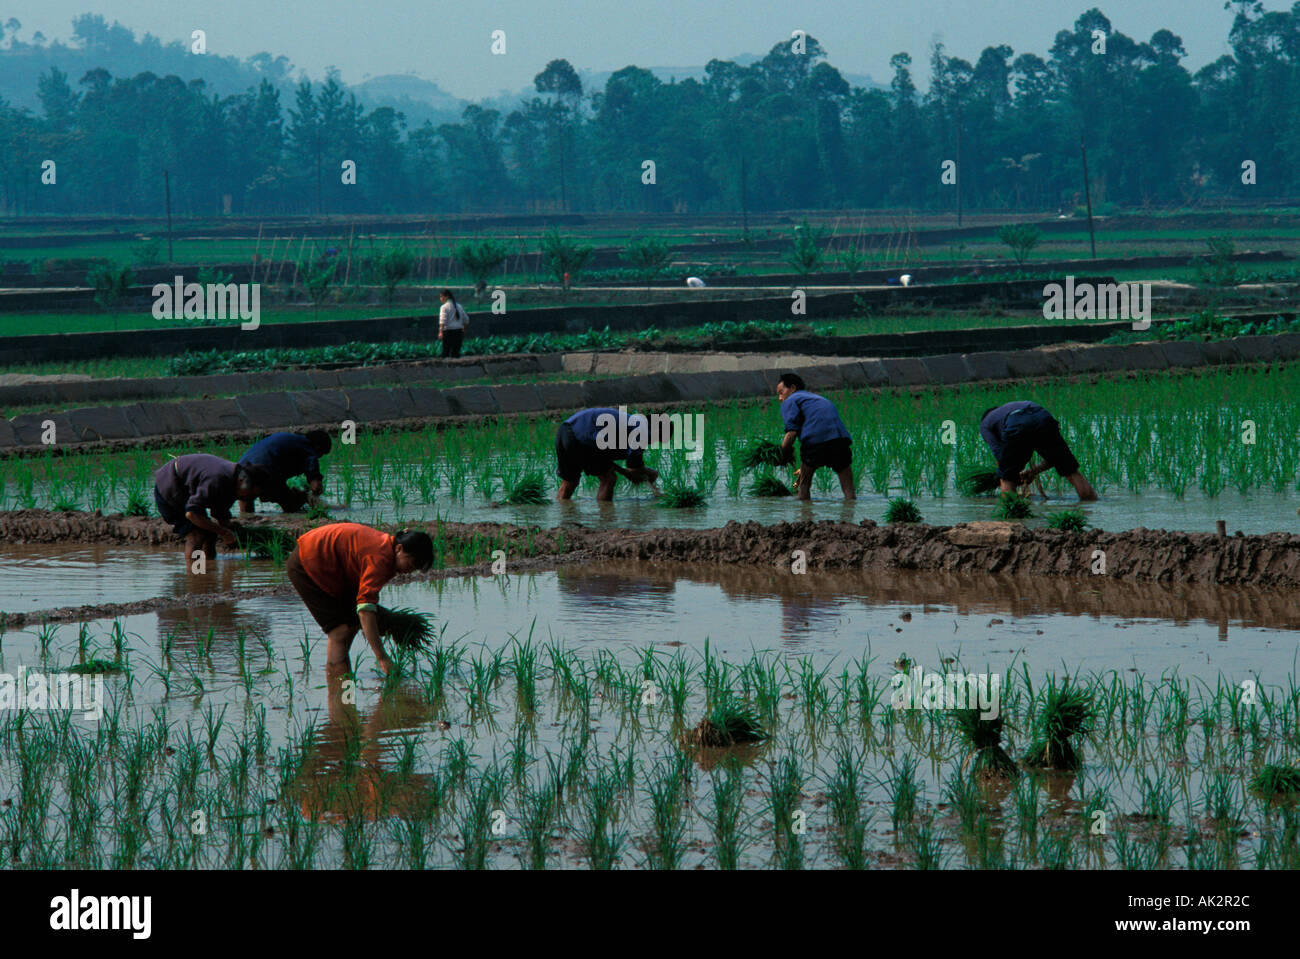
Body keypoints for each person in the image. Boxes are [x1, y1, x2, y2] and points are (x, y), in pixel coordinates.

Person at [286, 522, 434, 675]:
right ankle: (339, 686)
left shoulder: (387, 552)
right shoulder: (381, 559)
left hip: (333, 567)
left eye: (415, 569)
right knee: (340, 631)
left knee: (352, 624)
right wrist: (382, 658)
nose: (409, 571)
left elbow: (363, 606)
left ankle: (345, 691)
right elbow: (365, 610)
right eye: (411, 564)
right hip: (308, 562)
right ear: (399, 549)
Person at [153, 454, 267, 562]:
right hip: (169, 486)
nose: (248, 499)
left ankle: (208, 567)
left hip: (186, 491)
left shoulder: (234, 483)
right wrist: (225, 533)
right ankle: (195, 576)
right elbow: (191, 514)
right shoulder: (217, 479)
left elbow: (220, 512)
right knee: (197, 534)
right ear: (242, 481)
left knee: (211, 532)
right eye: (250, 494)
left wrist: (228, 529)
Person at [978, 401, 1097, 500]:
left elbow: (999, 455)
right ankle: (1090, 506)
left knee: (1007, 477)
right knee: (1070, 471)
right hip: (1042, 417)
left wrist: (1010, 473)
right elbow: (1053, 459)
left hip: (1016, 422)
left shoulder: (985, 424)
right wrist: (1034, 471)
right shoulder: (1008, 409)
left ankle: (1010, 519)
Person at [775, 373, 856, 501]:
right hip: (839, 440)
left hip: (815, 442)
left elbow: (791, 433)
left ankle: (805, 517)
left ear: (792, 388)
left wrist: (781, 453)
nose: (780, 398)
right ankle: (850, 516)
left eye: (781, 392)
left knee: (804, 485)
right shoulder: (817, 398)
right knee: (849, 489)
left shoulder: (791, 400)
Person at [555, 407, 661, 501]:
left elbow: (602, 458)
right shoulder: (642, 430)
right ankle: (606, 520)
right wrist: (649, 474)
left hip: (565, 430)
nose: (653, 443)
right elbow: (634, 468)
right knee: (608, 479)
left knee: (570, 482)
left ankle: (563, 516)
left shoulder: (629, 423)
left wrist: (627, 473)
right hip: (581, 440)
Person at [237, 429, 332, 514]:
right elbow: (315, 485)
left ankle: (247, 520)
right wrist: (312, 495)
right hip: (264, 471)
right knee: (291, 505)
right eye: (321, 454)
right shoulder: (309, 450)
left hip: (241, 470)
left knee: (246, 502)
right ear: (318, 448)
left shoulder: (291, 440)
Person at [438, 288, 468, 359]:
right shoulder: (459, 306)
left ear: (447, 296)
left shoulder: (444, 307)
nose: (441, 298)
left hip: (448, 333)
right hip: (458, 332)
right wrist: (464, 329)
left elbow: (443, 321)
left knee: (446, 353)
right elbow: (466, 319)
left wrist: (441, 332)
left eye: (442, 296)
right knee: (456, 354)